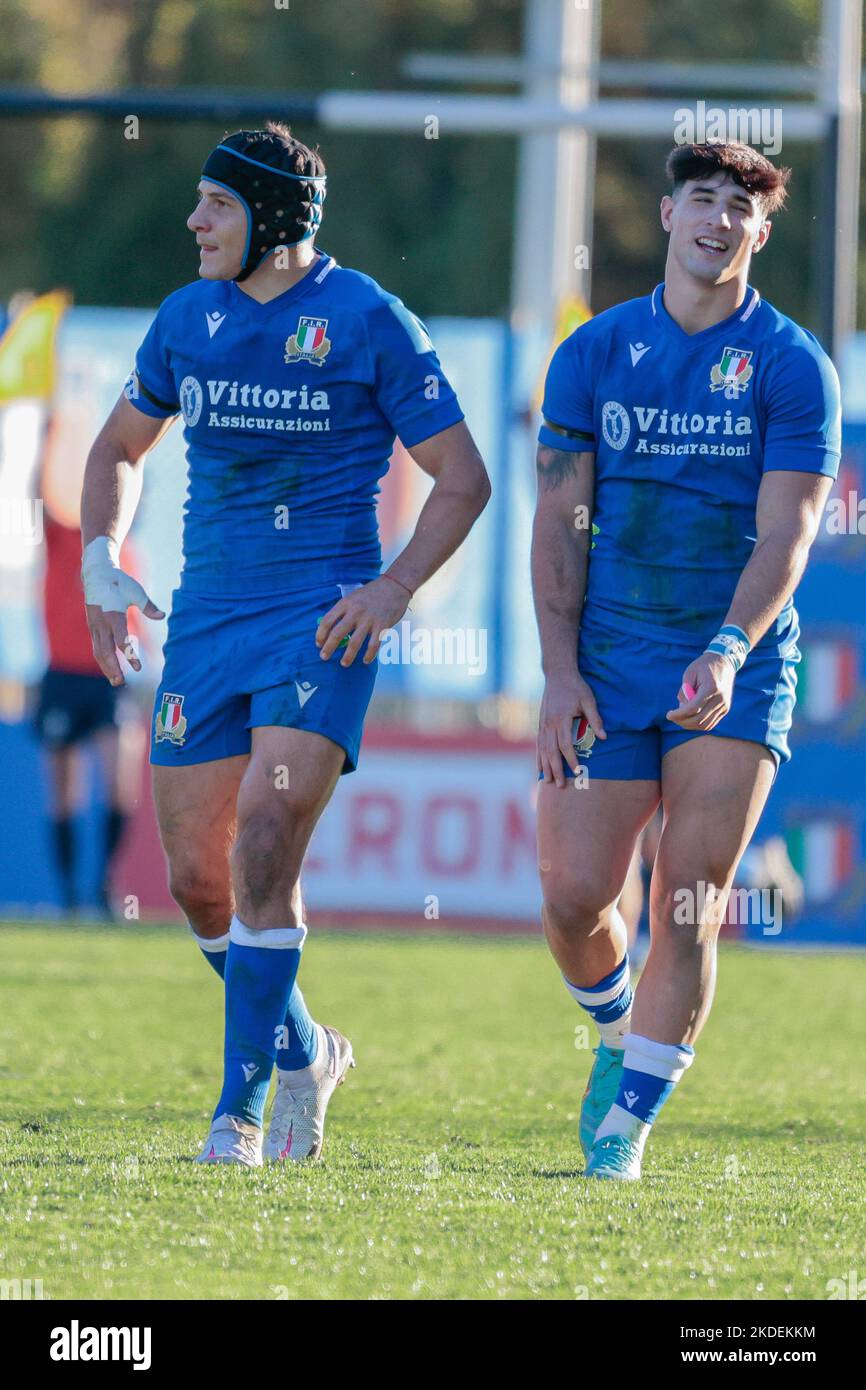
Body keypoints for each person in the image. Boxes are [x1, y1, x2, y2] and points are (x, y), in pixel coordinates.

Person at [80, 122, 490, 1166]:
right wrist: (98, 555)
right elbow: (119, 446)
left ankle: (239, 1116)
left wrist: (392, 590)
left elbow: (463, 477)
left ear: (272, 218)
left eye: (216, 204)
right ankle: (307, 1050)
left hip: (321, 623)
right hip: (206, 621)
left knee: (263, 843)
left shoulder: (368, 319)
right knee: (196, 881)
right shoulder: (185, 318)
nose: (194, 221)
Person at [532, 140, 840, 1181]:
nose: (718, 220)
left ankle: (622, 1136)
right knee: (574, 895)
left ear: (761, 231)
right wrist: (559, 671)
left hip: (732, 665)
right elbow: (558, 520)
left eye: (740, 208)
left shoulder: (792, 365)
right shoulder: (592, 351)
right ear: (668, 216)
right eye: (701, 199)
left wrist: (727, 647)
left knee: (687, 897)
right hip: (607, 659)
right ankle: (616, 1027)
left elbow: (788, 534)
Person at [34, 509, 144, 918]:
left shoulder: (128, 554)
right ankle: (68, 894)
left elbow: (135, 627)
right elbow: (40, 497)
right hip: (63, 676)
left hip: (109, 679)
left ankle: (106, 881)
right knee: (63, 791)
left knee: (121, 782)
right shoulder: (63, 536)